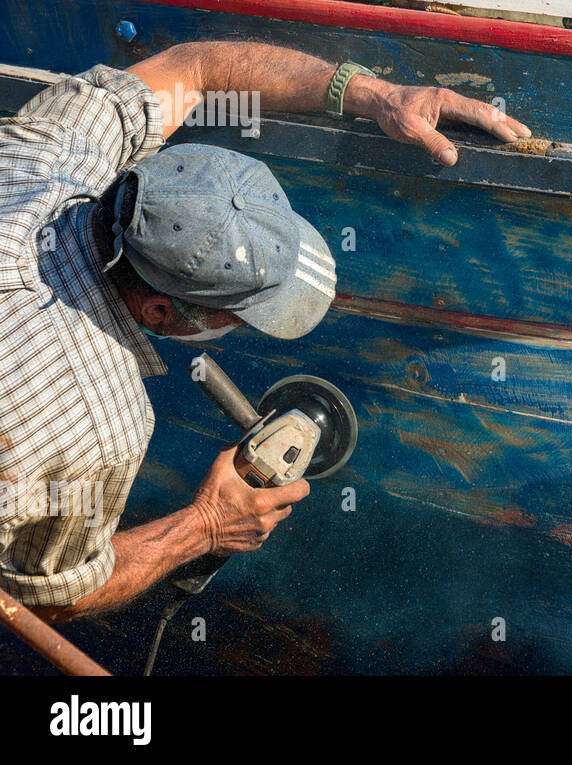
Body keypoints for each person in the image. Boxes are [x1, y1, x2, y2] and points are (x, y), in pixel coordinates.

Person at [0, 41, 530, 621]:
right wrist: (203, 526)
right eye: (238, 313)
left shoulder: (45, 154)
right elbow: (48, 598)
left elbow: (196, 68)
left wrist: (378, 96)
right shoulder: (92, 423)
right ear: (157, 312)